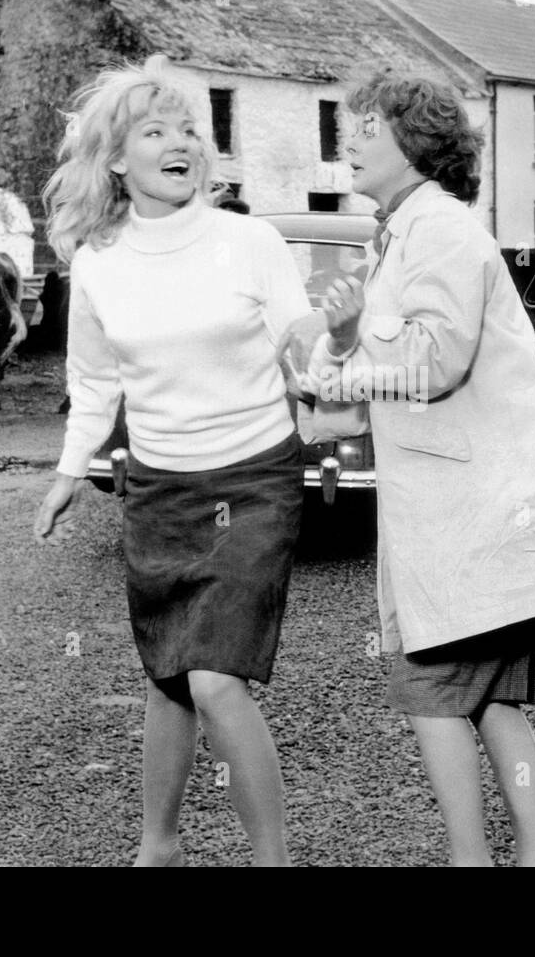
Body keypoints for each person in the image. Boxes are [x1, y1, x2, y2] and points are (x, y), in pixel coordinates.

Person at [293, 70, 535, 867]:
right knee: (490, 697)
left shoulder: (443, 231)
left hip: (478, 519)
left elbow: (435, 360)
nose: (349, 141)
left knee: (432, 696)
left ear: (415, 143)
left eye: (367, 127)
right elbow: (385, 365)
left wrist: (344, 350)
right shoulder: (410, 230)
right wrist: (336, 362)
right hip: (485, 510)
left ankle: (472, 860)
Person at [33, 56, 315, 867]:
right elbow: (92, 380)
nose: (180, 142)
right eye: (155, 130)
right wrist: (64, 474)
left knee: (215, 678)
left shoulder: (250, 241)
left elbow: (300, 339)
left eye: (188, 128)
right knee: (169, 673)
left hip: (255, 479)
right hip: (157, 488)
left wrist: (331, 346)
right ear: (116, 159)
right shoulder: (99, 263)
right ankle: (158, 845)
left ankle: (273, 861)